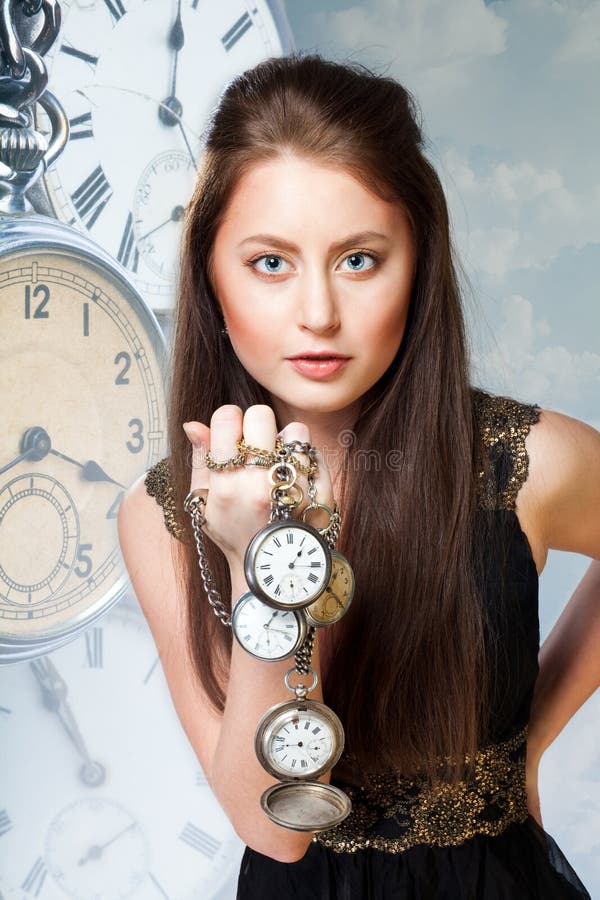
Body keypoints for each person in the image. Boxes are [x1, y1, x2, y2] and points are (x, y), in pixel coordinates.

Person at [117, 53, 599, 899]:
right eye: (270, 263)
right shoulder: (164, 513)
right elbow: (273, 829)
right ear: (210, 278)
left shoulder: (525, 463)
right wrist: (257, 561)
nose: (318, 314)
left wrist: (534, 736)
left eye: (359, 260)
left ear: (418, 264)